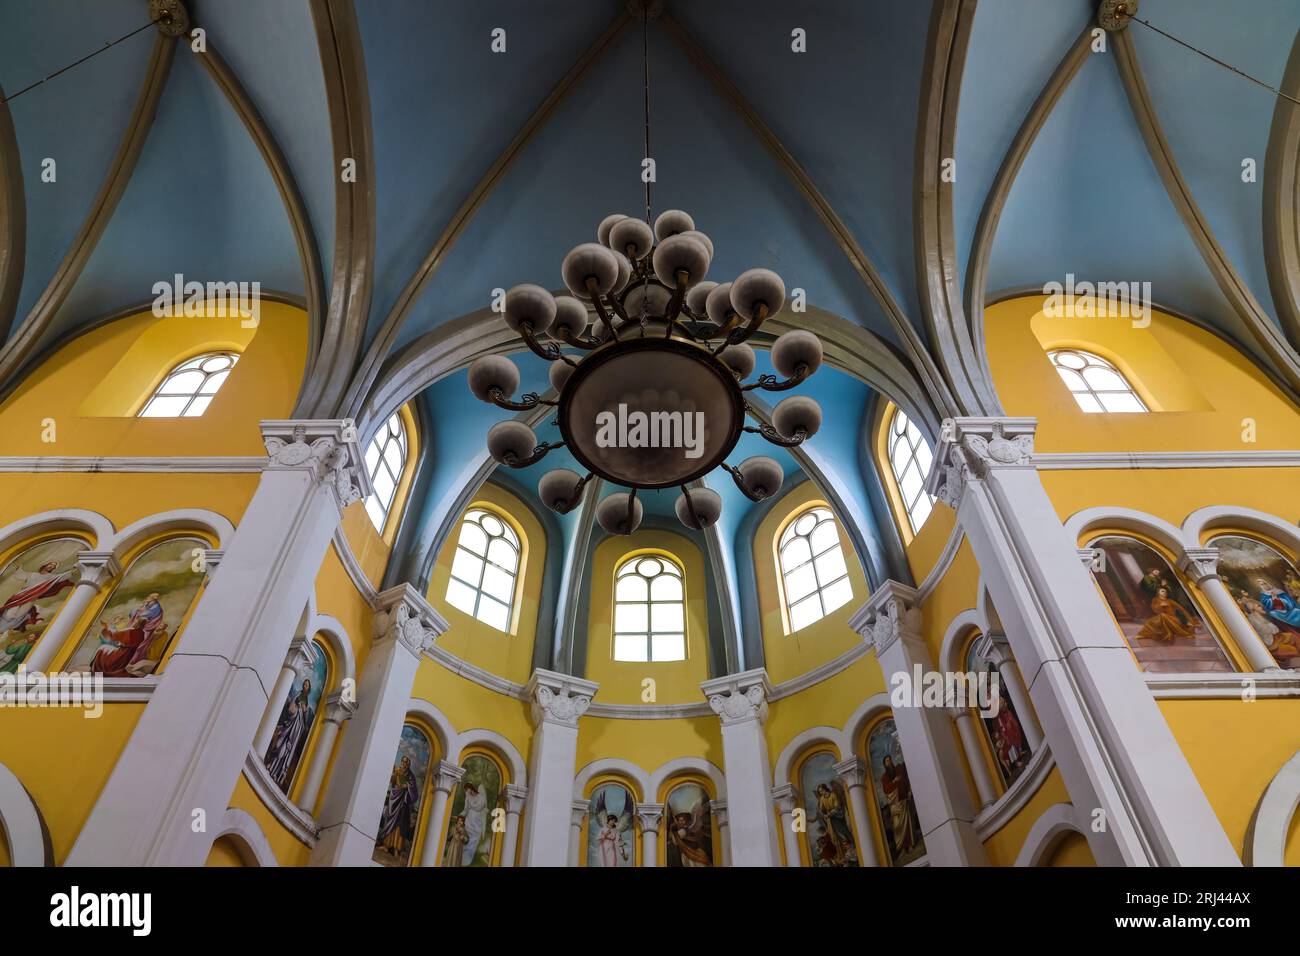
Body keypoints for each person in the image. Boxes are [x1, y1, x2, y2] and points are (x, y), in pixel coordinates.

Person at [91, 593, 167, 677]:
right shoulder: (140, 633)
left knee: (103, 648)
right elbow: (134, 613)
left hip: (121, 654)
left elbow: (115, 636)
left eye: (149, 597)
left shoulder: (155, 608)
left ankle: (99, 668)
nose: (147, 598)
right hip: (125, 654)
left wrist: (106, 628)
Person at [264, 678, 315, 790]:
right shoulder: (298, 694)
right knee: (281, 743)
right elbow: (291, 707)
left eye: (307, 685)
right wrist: (297, 708)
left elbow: (306, 720)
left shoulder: (307, 702)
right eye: (304, 684)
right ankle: (270, 763)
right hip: (291, 723)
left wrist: (305, 710)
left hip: (297, 728)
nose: (305, 686)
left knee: (288, 750)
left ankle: (279, 774)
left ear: (309, 688)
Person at [375, 755, 421, 862]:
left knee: (399, 824)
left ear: (408, 764)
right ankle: (386, 845)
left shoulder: (410, 775)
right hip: (393, 799)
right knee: (390, 821)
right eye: (403, 762)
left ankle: (396, 849)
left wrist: (407, 786)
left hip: (402, 803)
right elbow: (392, 781)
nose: (404, 764)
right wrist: (392, 774)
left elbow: (414, 790)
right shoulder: (397, 770)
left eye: (406, 762)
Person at [880, 755, 920, 860]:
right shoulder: (884, 777)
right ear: (884, 764)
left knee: (907, 824)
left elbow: (905, 781)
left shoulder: (898, 769)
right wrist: (894, 781)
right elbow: (886, 790)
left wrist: (908, 790)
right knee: (898, 827)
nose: (889, 762)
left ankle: (910, 845)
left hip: (903, 800)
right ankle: (902, 848)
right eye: (887, 761)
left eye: (890, 760)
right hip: (895, 805)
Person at [459, 781, 488, 866]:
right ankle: (461, 860)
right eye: (467, 791)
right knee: (466, 840)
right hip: (469, 822)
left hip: (476, 822)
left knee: (473, 842)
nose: (469, 792)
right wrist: (460, 815)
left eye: (469, 790)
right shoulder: (468, 798)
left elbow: (478, 807)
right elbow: (465, 809)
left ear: (472, 788)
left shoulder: (481, 798)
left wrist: (470, 801)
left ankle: (467, 861)